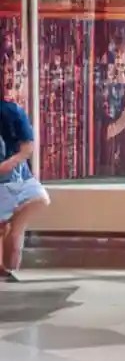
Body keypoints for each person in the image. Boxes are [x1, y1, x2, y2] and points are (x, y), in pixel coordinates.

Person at [0, 88, 50, 282]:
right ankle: (10, 270)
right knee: (15, 233)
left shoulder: (11, 111)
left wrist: (6, 166)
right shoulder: (13, 111)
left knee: (37, 202)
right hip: (14, 185)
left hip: (17, 183)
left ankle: (10, 268)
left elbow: (27, 148)